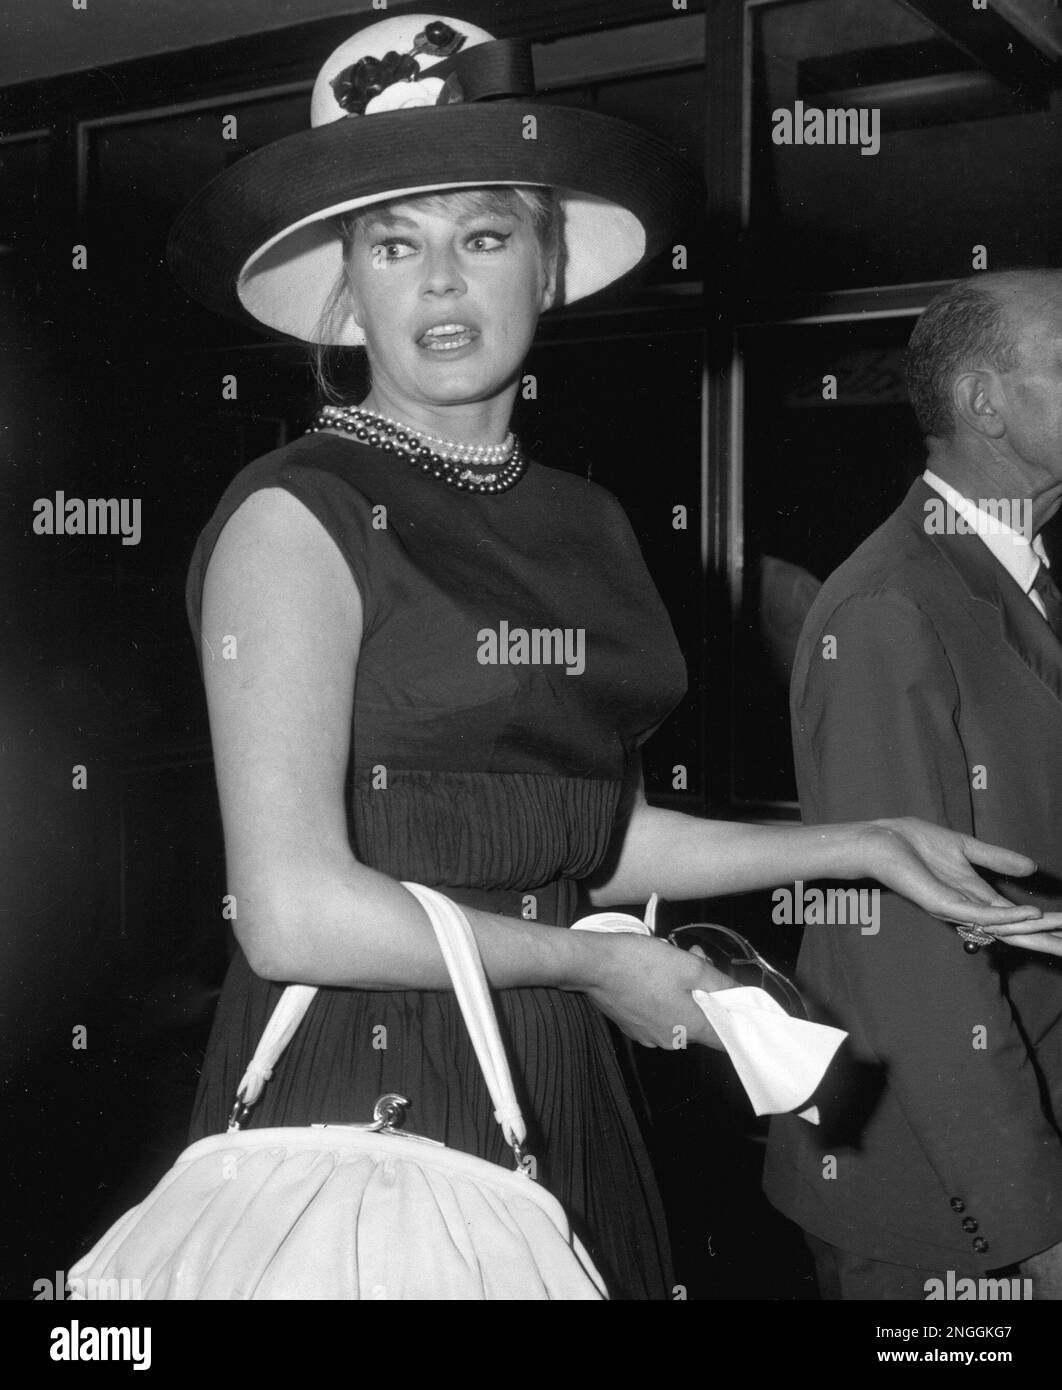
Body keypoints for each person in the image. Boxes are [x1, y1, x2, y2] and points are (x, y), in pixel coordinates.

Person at [169, 18, 1062, 1299]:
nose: (437, 285)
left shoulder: (580, 520)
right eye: (392, 243)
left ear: (547, 266)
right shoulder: (291, 514)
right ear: (341, 288)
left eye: (481, 237)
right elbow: (294, 911)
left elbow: (584, 836)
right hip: (370, 1086)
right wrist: (599, 958)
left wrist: (855, 843)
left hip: (553, 1067)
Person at [764, 270, 1062, 1300]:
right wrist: (1035, 1225)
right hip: (940, 1211)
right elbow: (909, 956)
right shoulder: (890, 606)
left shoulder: (1023, 579)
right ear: (986, 404)